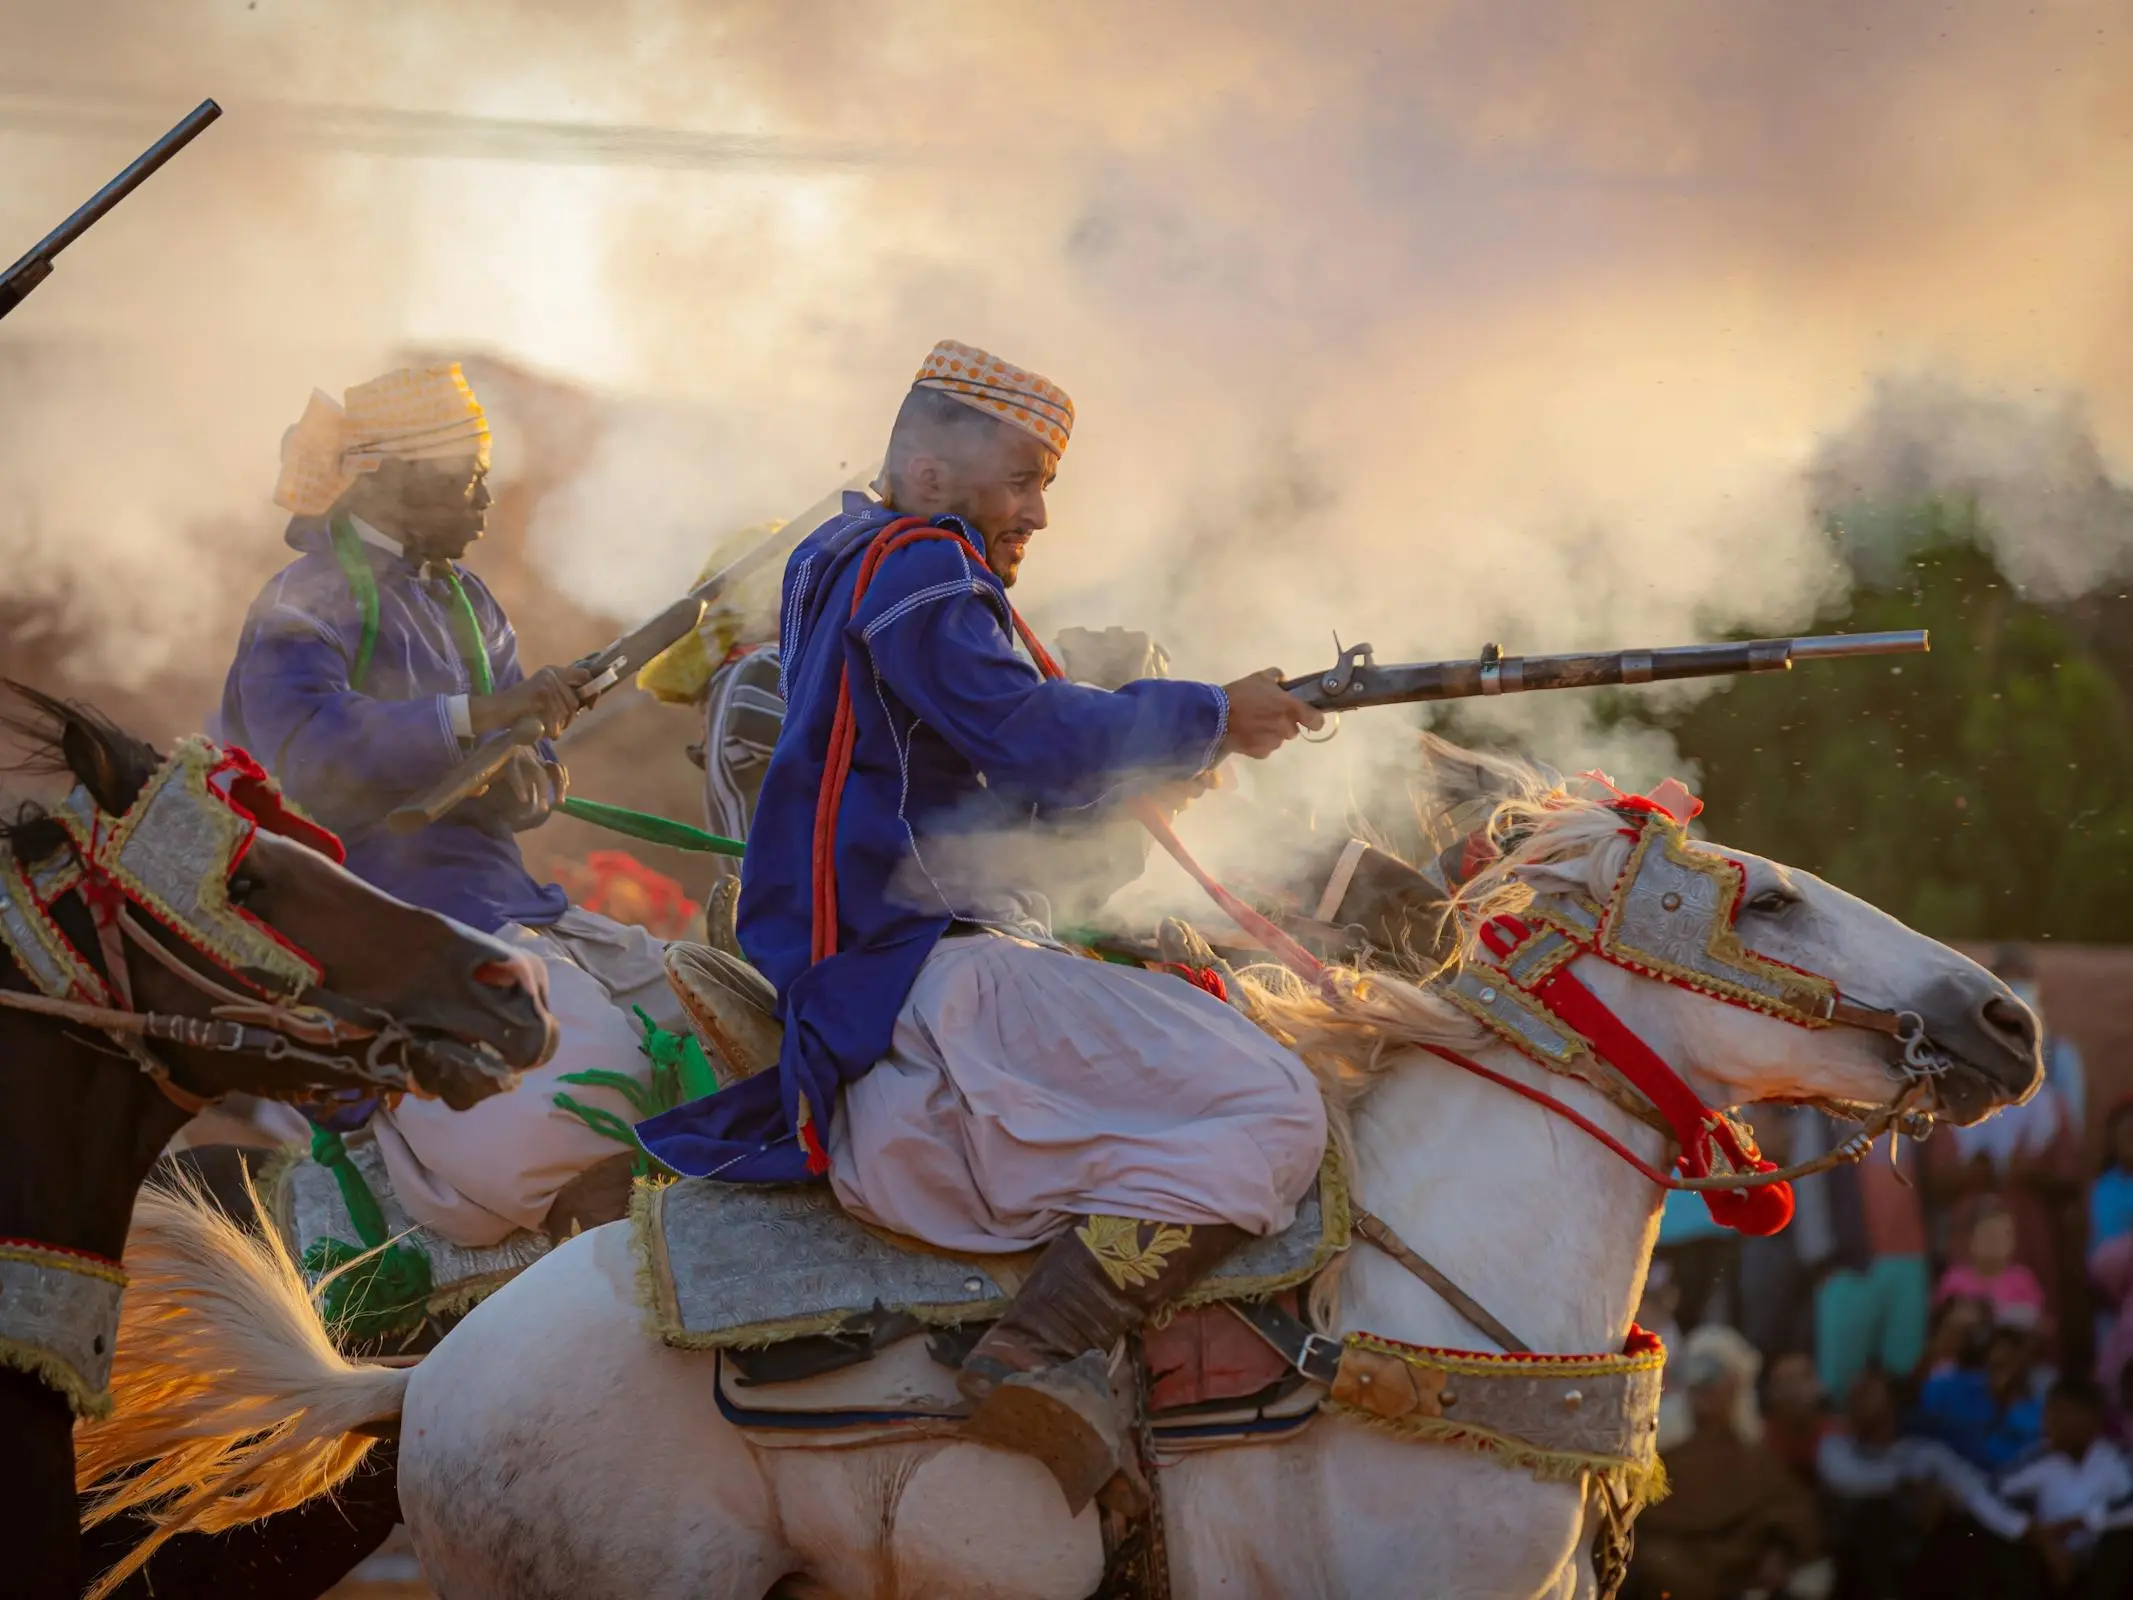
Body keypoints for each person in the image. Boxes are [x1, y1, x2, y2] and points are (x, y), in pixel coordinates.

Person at [638, 340, 1329, 1510]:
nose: (1042, 513)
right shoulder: (918, 562)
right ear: (929, 465)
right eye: (1022, 479)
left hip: (911, 970)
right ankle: (1039, 1351)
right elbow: (1030, 735)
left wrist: (1167, 752)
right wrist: (1211, 712)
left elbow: (1004, 783)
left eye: (1045, 483)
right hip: (934, 974)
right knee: (1277, 1106)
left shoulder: (849, 556)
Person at [220, 364, 686, 1246]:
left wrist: (520, 773)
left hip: (509, 902)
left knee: (709, 1012)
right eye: (467, 472)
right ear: (390, 478)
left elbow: (533, 770)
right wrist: (474, 720)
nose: (486, 495)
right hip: (387, 916)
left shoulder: (468, 600)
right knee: (591, 1079)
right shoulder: (301, 599)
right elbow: (306, 758)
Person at [1626, 1325, 1824, 1600]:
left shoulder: (1754, 1456)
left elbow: (1789, 1510)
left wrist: (1779, 1550)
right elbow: (1637, 1523)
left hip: (1740, 1573)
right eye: (1695, 1372)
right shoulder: (1658, 1449)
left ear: (1736, 1382)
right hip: (1668, 1568)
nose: (1702, 1384)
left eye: (1712, 1372)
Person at [1913, 1322, 2046, 1475]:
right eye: (1996, 1364)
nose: (2004, 1371)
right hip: (1946, 1473)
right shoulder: (1947, 1388)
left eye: (2011, 1360)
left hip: (2008, 1483)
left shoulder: (2039, 1414)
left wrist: (2005, 1402)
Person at [1938, 1202, 2049, 1330]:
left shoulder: (2023, 1279)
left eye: (2005, 1235)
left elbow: (2035, 1319)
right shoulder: (1955, 1278)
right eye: (1989, 1235)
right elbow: (1944, 1318)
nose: (1997, 1243)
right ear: (1970, 1240)